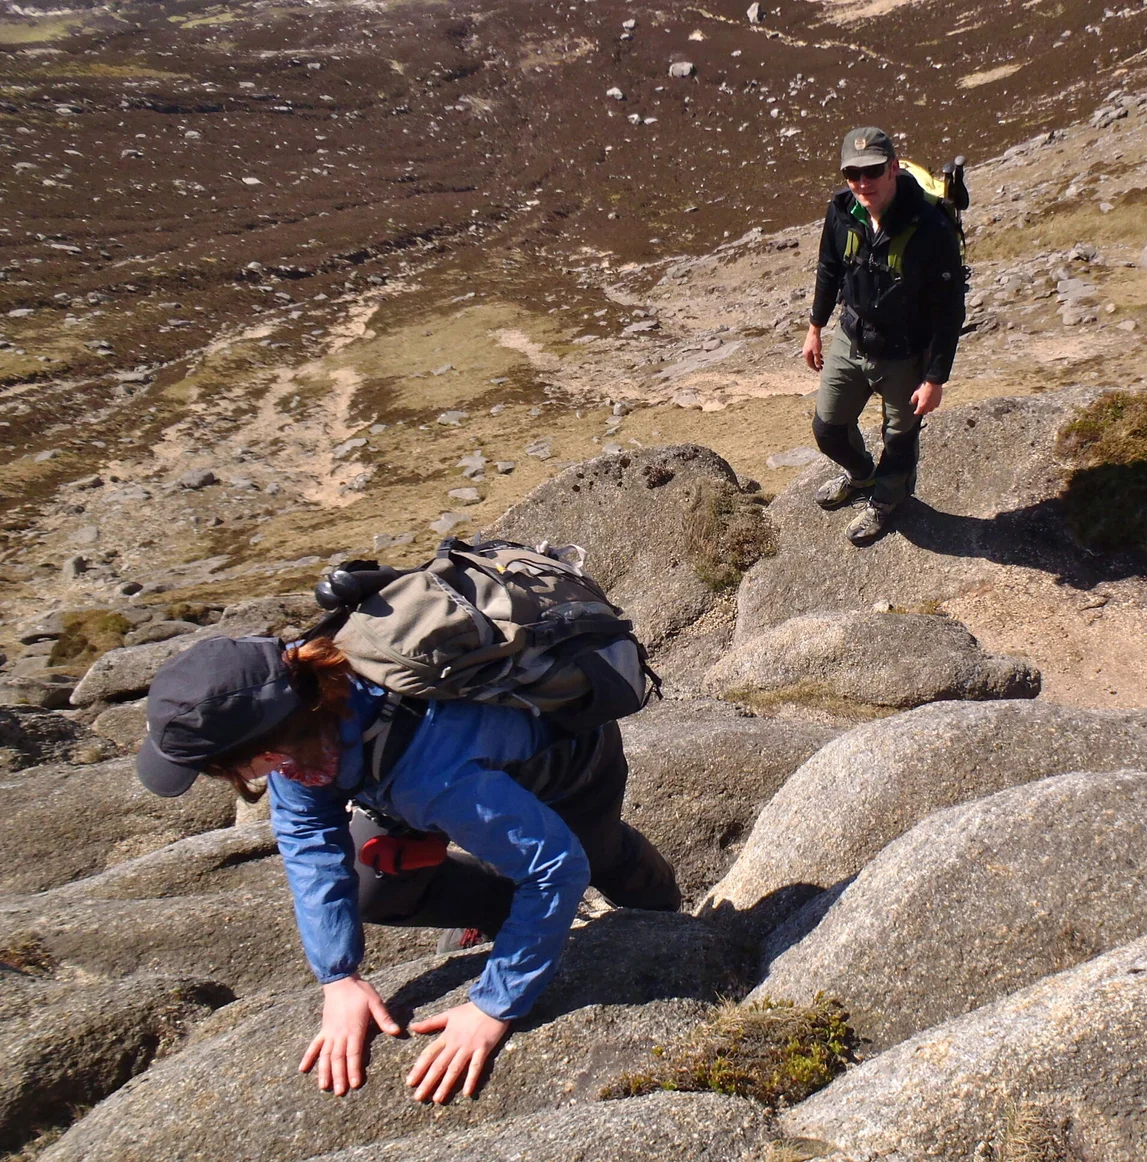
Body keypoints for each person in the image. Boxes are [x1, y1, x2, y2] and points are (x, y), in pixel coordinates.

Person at [135, 633, 679, 1104]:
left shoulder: (422, 774)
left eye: (215, 768)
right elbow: (306, 836)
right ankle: (504, 909)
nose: (221, 778)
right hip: (416, 776)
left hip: (566, 769)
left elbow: (555, 867)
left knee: (588, 856)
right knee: (375, 886)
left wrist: (493, 1006)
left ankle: (666, 914)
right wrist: (339, 976)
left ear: (260, 749)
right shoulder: (297, 708)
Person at [802, 126, 966, 546]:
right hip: (851, 338)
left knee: (899, 438)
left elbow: (949, 309)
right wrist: (816, 327)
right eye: (852, 173)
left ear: (893, 167)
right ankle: (861, 475)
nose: (862, 182)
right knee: (827, 428)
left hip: (906, 353)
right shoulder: (841, 210)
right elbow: (828, 269)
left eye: (872, 170)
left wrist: (935, 378)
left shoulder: (930, 228)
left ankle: (886, 501)